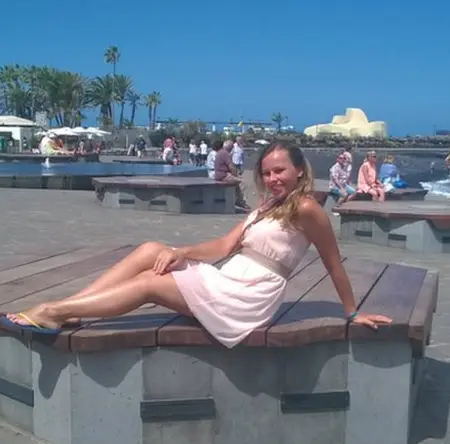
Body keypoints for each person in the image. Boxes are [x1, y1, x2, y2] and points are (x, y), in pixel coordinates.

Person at [1, 142, 391, 343]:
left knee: (150, 284)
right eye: (267, 172)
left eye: (280, 171)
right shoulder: (268, 206)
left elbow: (333, 263)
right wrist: (181, 252)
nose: (273, 178)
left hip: (249, 296)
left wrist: (352, 313)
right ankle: (71, 310)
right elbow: (224, 246)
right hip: (229, 278)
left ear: (300, 171)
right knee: (152, 250)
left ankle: (53, 310)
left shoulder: (307, 209)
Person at [214, 140, 251, 212]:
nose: (232, 149)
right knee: (243, 183)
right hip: (223, 176)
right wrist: (235, 175)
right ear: (229, 147)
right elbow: (231, 166)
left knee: (236, 183)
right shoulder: (225, 153)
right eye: (231, 148)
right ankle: (239, 201)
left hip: (219, 175)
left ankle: (239, 200)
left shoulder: (220, 152)